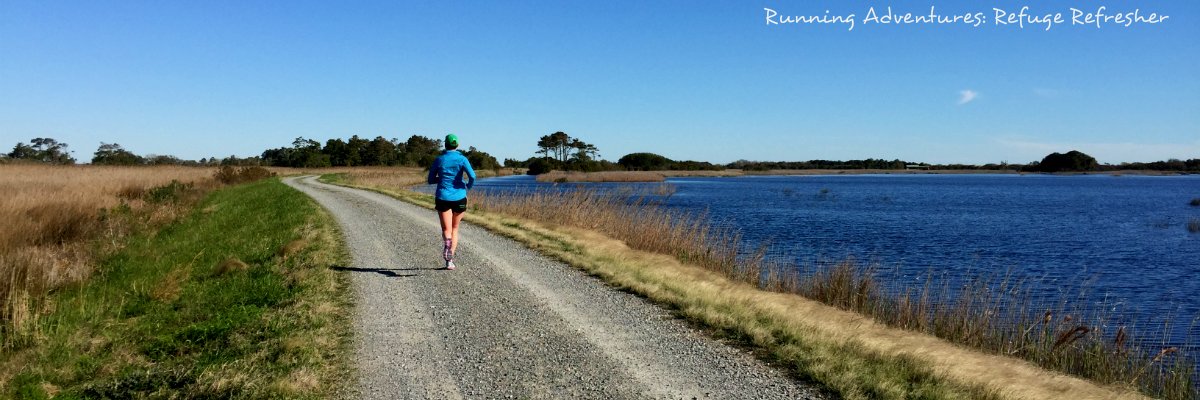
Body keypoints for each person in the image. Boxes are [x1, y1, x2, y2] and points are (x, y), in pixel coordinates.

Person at [427, 133, 476, 270]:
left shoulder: (439, 159)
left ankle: (447, 248)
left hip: (443, 197)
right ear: (457, 145)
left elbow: (430, 179)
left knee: (446, 229)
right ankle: (450, 260)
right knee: (455, 228)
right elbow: (472, 176)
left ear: (445, 144)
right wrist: (467, 186)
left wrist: (441, 179)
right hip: (460, 197)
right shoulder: (462, 159)